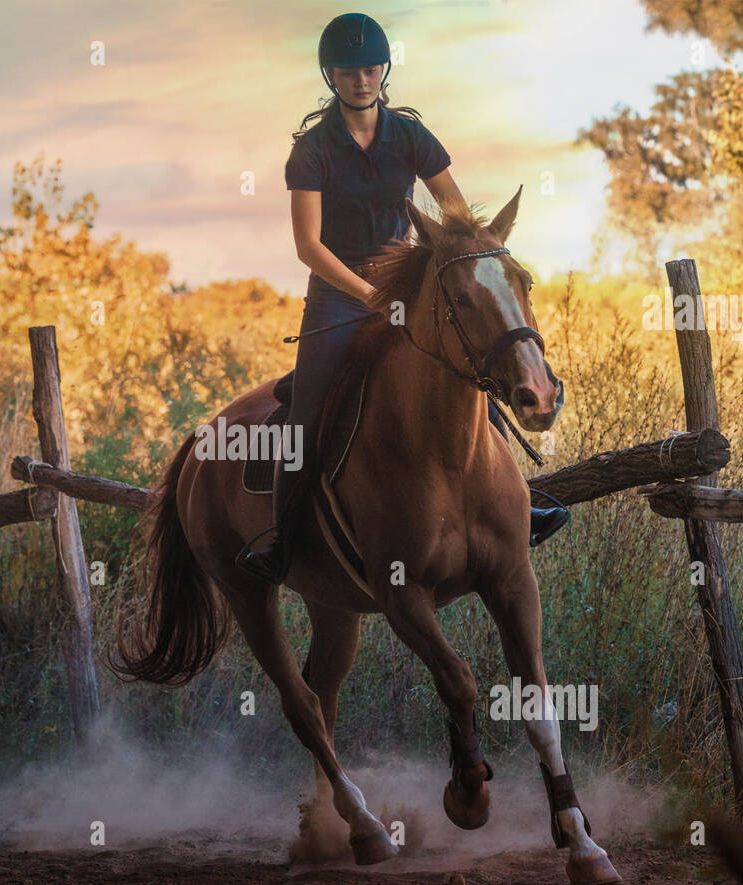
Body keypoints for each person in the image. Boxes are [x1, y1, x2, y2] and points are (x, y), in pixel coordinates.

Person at [236, 12, 569, 587]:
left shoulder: (412, 136)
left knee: (471, 370)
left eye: (370, 69)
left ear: (384, 70)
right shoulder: (312, 151)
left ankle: (518, 508)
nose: (361, 80)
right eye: (348, 71)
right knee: (309, 407)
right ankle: (283, 540)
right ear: (330, 75)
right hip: (339, 295)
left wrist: (484, 257)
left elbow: (457, 216)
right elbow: (308, 246)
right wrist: (368, 296)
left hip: (411, 290)